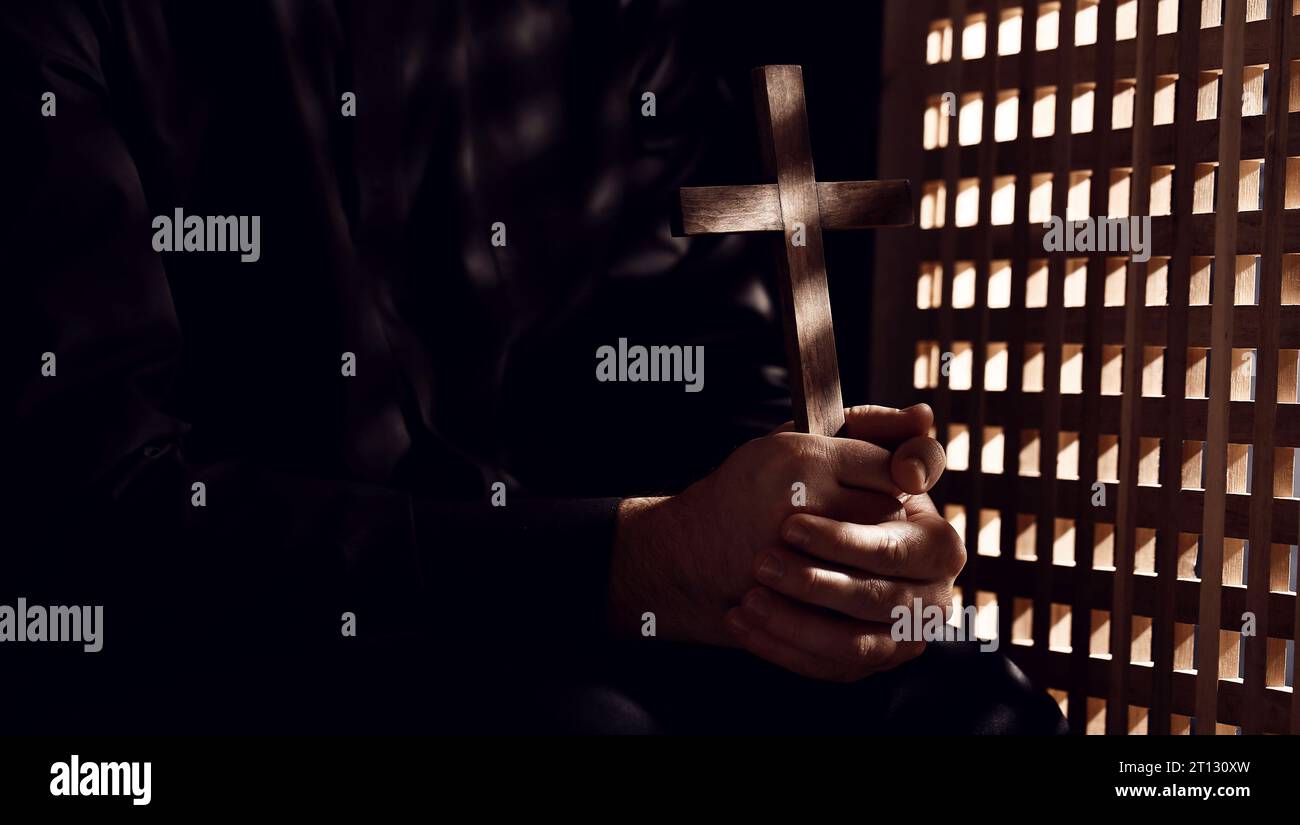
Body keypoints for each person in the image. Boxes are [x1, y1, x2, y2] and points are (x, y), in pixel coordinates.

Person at [0, 0, 1065, 734]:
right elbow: (83, 513)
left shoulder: (603, 27)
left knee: (963, 706)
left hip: (588, 615)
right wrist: (625, 561)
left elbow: (699, 366)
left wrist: (812, 536)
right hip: (214, 646)